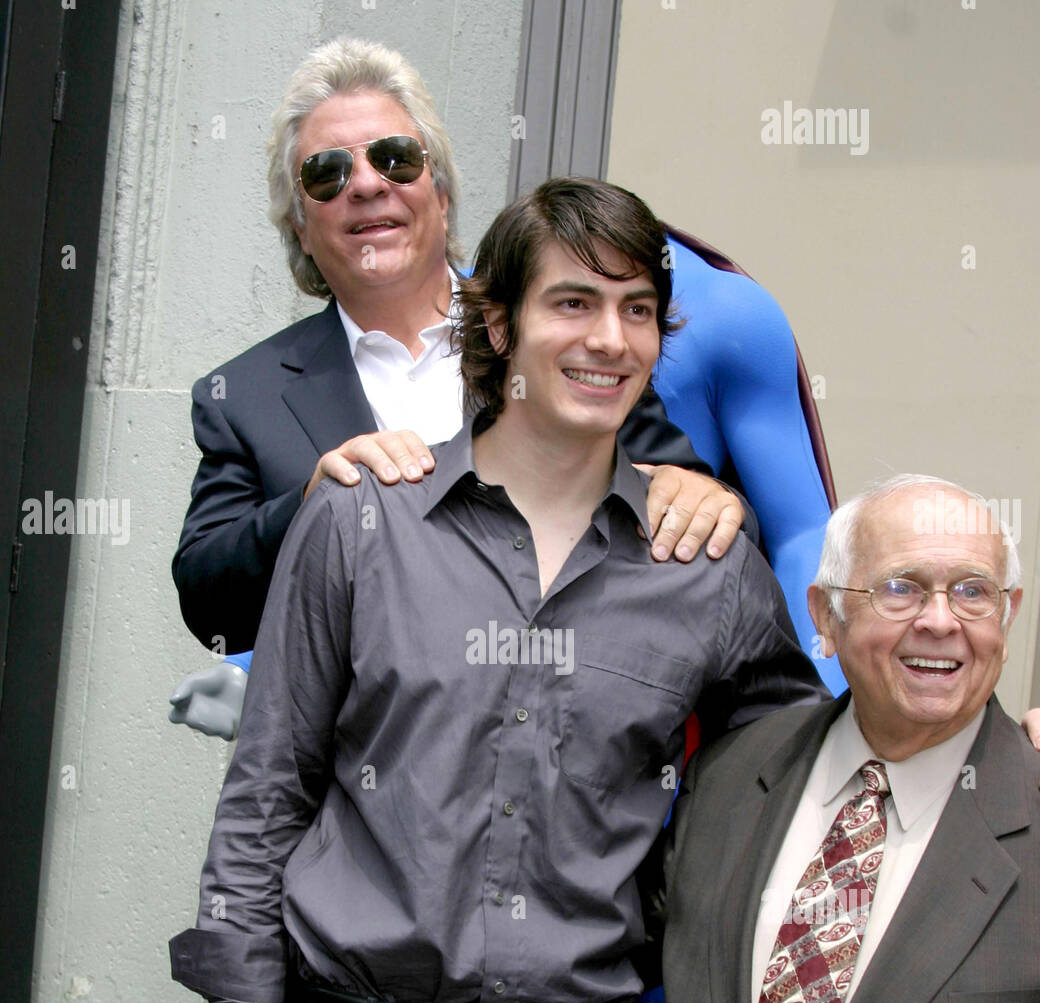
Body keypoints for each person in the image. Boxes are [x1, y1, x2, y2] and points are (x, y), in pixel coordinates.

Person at [168, 175, 825, 1003]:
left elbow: (784, 784)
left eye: (634, 309)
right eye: (572, 303)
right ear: (496, 324)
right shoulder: (362, 520)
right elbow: (267, 781)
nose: (607, 338)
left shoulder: (704, 568)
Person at [169, 37, 743, 682]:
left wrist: (701, 495)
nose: (365, 185)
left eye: (394, 159)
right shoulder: (245, 394)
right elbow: (209, 605)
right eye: (327, 173)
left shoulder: (550, 327)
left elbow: (691, 496)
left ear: (440, 194)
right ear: (299, 224)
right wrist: (310, 502)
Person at [627, 475, 1040, 1003]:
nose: (939, 620)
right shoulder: (726, 779)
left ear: (1010, 612)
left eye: (972, 591)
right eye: (901, 587)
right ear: (823, 615)